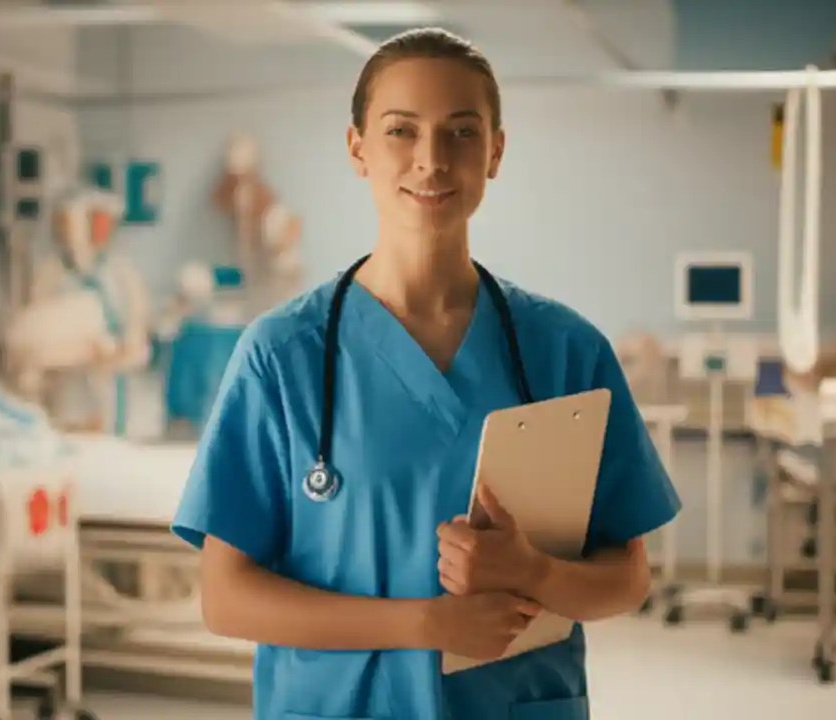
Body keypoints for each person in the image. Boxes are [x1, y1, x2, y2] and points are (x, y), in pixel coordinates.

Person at [171, 28, 681, 720]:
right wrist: (429, 626)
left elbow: (627, 577)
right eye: (401, 132)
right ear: (358, 148)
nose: (431, 160)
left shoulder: (565, 351)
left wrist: (533, 573)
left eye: (461, 133)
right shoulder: (282, 355)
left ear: (496, 151)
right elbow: (226, 598)